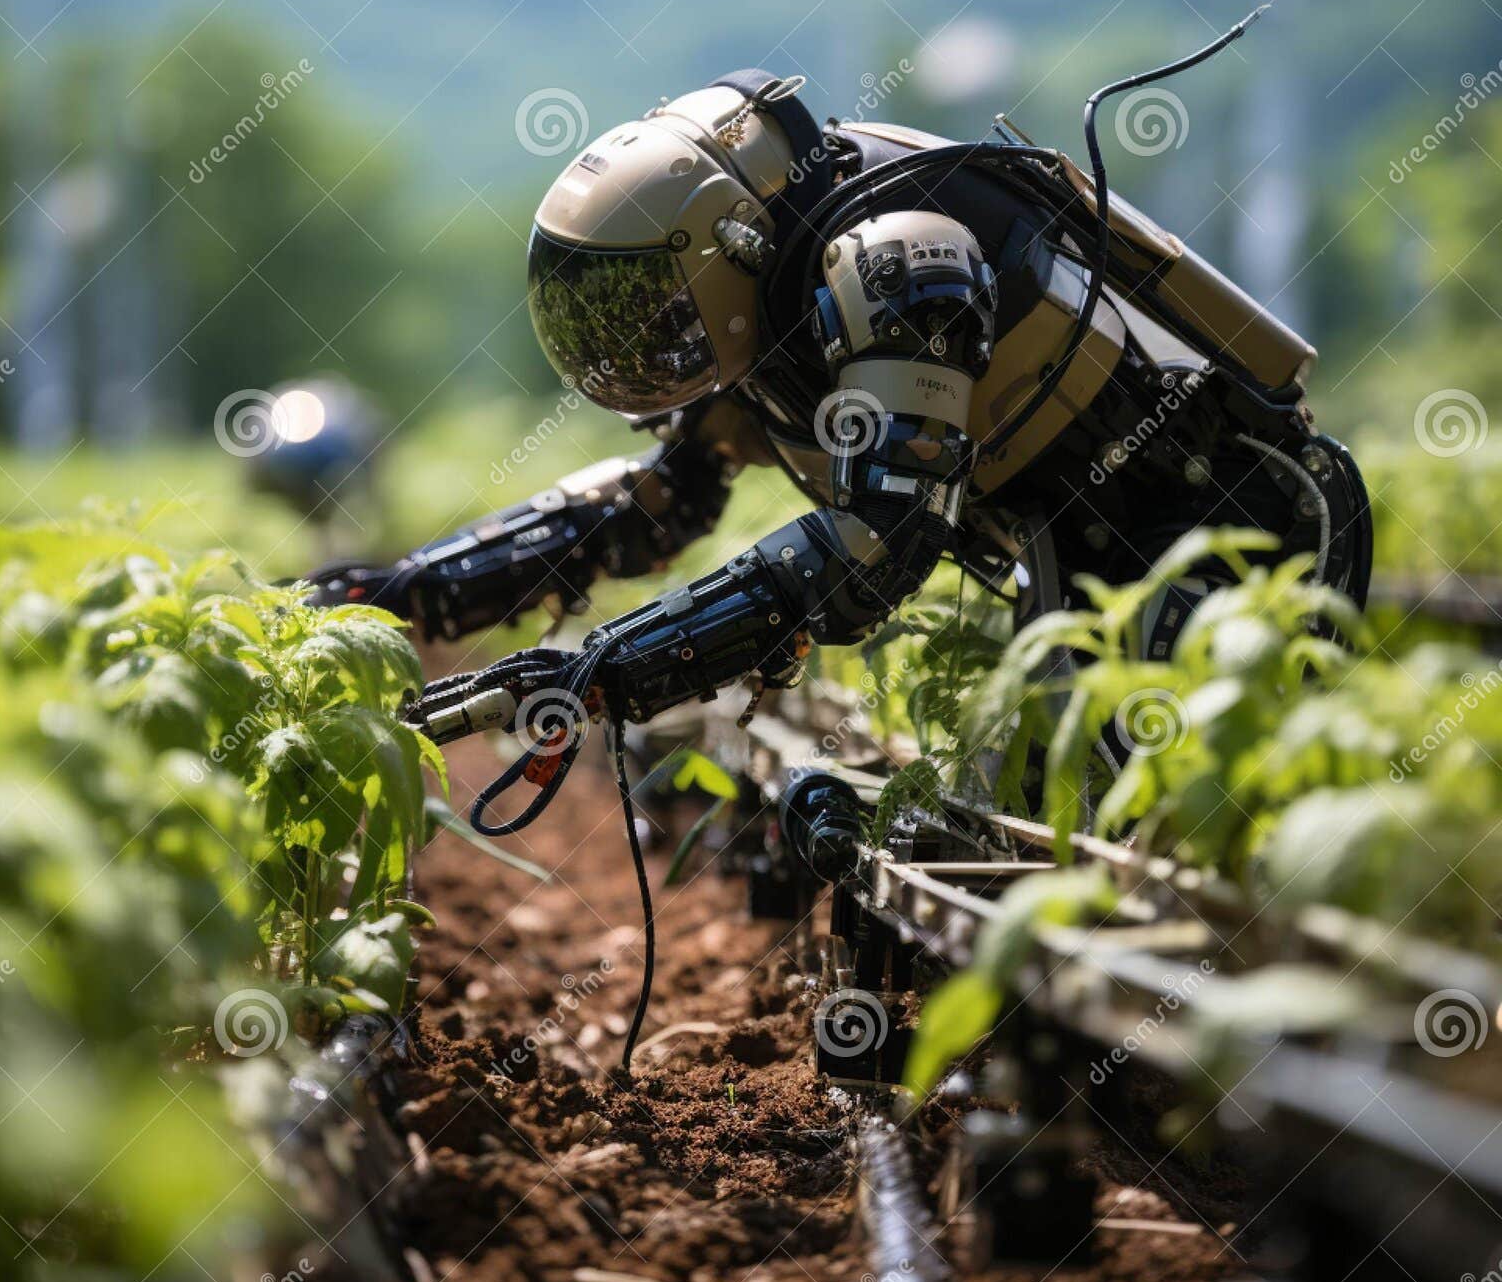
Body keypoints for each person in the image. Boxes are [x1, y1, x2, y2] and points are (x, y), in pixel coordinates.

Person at [311, 62, 1371, 769]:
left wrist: (605, 668)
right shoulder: (762, 291)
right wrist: (408, 592)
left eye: (648, 300)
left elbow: (878, 544)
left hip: (1227, 539)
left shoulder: (899, 264)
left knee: (1164, 807)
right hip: (1072, 556)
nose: (631, 339)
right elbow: (657, 507)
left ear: (726, 243)